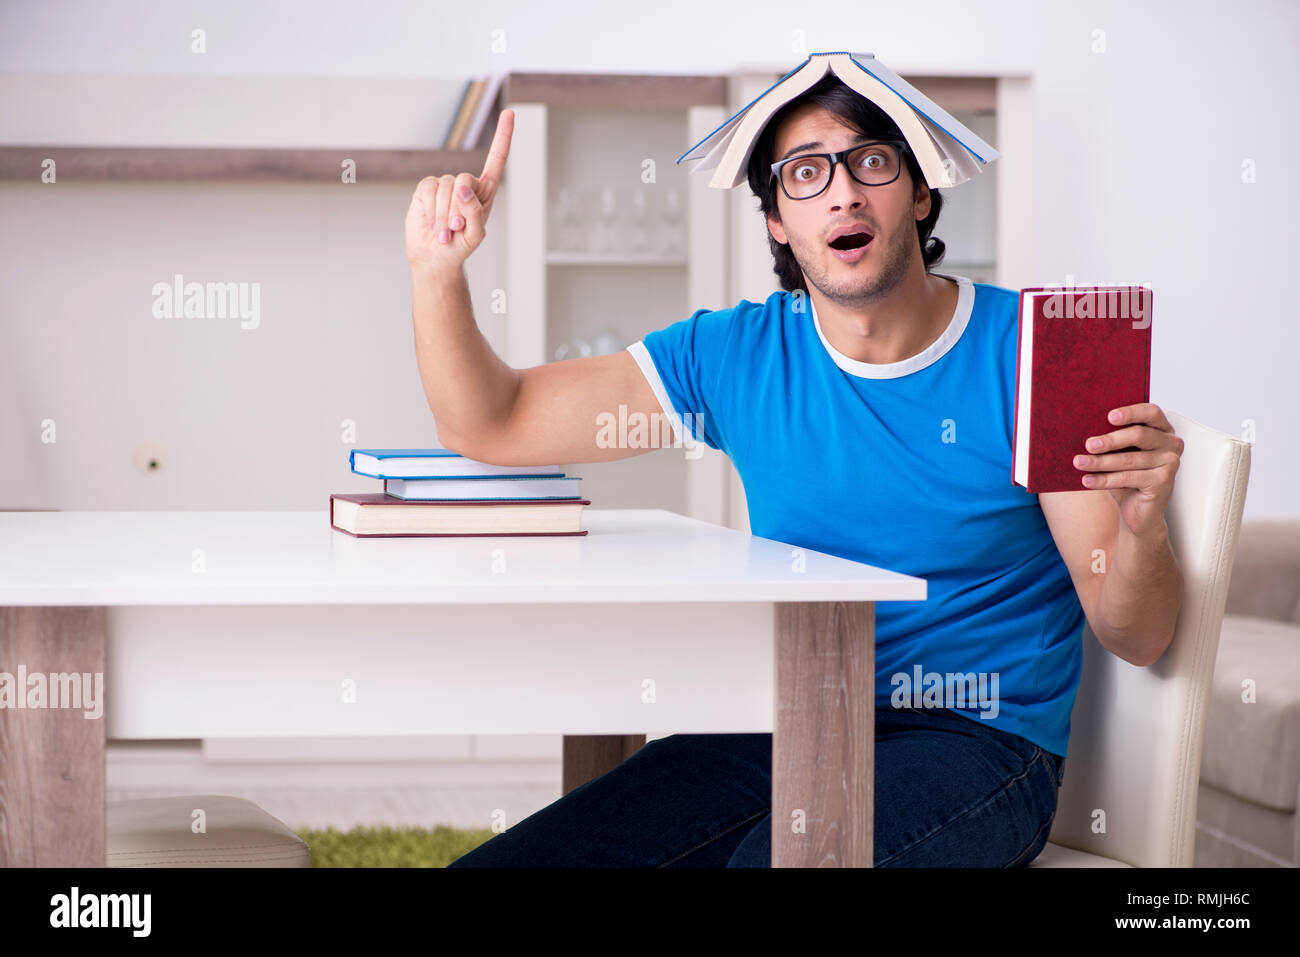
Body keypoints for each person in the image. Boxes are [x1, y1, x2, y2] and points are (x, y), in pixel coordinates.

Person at [404, 72, 1180, 867]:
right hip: (791, 719)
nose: (843, 192)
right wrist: (438, 274)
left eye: (870, 161)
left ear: (918, 191)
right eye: (806, 173)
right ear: (777, 222)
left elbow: (1140, 633)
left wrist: (1143, 528)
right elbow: (489, 421)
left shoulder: (1045, 353)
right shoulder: (735, 356)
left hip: (976, 741)